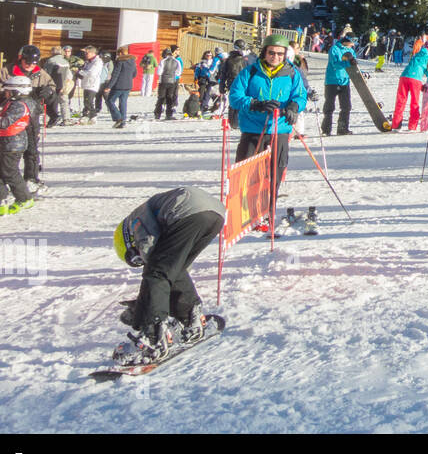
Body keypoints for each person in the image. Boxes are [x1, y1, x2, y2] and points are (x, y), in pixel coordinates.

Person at [111, 187, 224, 364]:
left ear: (128, 240)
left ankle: (153, 339)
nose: (140, 260)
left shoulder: (136, 221)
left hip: (189, 212)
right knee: (173, 269)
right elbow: (171, 271)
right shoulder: (146, 215)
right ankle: (190, 318)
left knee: (157, 272)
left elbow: (155, 270)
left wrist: (142, 310)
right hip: (214, 214)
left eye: (135, 256)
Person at [228, 34, 308, 199]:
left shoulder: (292, 73)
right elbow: (235, 96)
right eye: (271, 52)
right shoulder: (250, 72)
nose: (275, 57)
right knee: (246, 174)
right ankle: (245, 210)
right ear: (264, 52)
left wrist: (293, 107)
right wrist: (255, 104)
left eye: (280, 54)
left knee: (275, 174)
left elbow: (300, 96)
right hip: (253, 130)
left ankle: (268, 209)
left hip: (280, 130)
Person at [0, 76, 38, 216]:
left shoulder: (20, 105)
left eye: (8, 91)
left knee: (10, 172)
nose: (6, 94)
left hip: (12, 144)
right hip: (3, 143)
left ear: (17, 91)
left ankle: (25, 198)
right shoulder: (10, 102)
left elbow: (4, 122)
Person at [10, 45, 55, 191]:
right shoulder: (9, 71)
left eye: (33, 62)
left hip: (32, 113)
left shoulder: (40, 73)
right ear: (20, 59)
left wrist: (48, 91)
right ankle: (10, 177)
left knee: (32, 148)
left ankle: (31, 177)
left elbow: (52, 85)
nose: (30, 65)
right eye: (27, 62)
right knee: (13, 148)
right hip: (13, 115)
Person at [392, 30, 428, 131]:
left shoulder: (417, 55)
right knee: (414, 102)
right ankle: (412, 126)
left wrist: (420, 86)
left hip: (403, 77)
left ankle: (396, 125)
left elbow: (413, 69)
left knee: (400, 101)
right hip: (415, 79)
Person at [322, 33, 357, 136]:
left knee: (346, 106)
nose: (353, 44)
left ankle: (342, 128)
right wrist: (348, 63)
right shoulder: (334, 49)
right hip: (332, 81)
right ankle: (326, 129)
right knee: (329, 107)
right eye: (353, 41)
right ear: (347, 40)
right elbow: (335, 65)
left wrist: (360, 72)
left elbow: (353, 66)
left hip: (345, 81)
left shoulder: (350, 51)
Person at [218, 40, 251, 127]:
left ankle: (237, 121)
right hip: (234, 83)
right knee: (235, 102)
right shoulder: (231, 60)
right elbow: (223, 74)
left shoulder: (246, 59)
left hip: (241, 83)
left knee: (241, 102)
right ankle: (233, 122)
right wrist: (222, 87)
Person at [103, 48, 136, 129]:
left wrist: (109, 86)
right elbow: (134, 74)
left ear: (121, 53)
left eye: (118, 53)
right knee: (123, 103)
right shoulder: (132, 61)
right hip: (128, 85)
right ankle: (123, 122)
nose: (117, 55)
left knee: (110, 101)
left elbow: (115, 75)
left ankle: (118, 118)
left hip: (118, 85)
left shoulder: (120, 61)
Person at [44, 46, 72, 126]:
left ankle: (53, 117)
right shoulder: (65, 62)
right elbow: (69, 75)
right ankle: (66, 119)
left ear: (53, 52)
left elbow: (46, 73)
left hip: (52, 84)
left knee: (51, 102)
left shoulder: (50, 61)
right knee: (64, 101)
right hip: (63, 84)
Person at [154, 47, 181, 120]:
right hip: (172, 81)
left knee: (161, 98)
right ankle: (169, 114)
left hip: (163, 81)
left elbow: (159, 72)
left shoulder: (163, 61)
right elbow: (178, 72)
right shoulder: (176, 61)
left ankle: (157, 113)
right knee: (170, 98)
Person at [78, 45, 103, 123]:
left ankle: (92, 115)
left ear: (92, 53)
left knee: (89, 101)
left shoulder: (97, 61)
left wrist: (80, 72)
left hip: (92, 83)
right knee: (86, 101)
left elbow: (91, 73)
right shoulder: (88, 61)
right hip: (87, 83)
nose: (85, 55)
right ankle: (87, 115)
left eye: (87, 53)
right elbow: (85, 70)